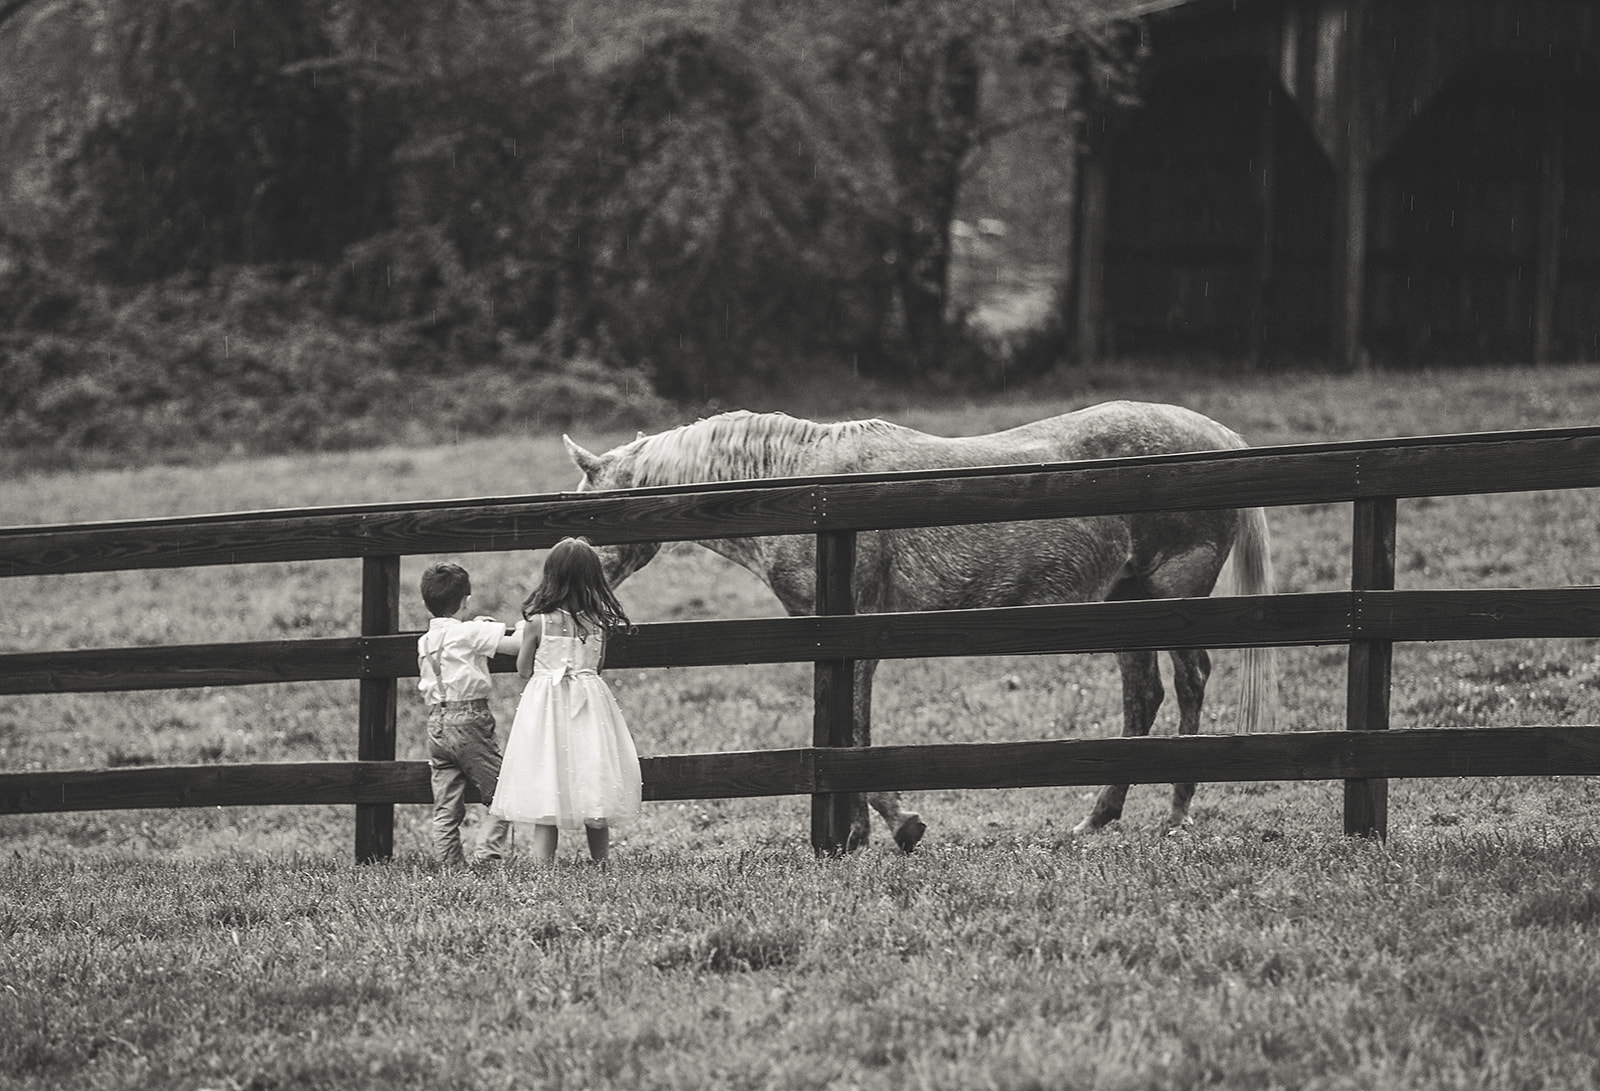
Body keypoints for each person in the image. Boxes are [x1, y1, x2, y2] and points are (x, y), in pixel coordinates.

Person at [492, 537, 642, 863]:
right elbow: (597, 666)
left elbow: (522, 669)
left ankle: (543, 866)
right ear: (592, 578)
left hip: (547, 705)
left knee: (548, 776)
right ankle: (601, 861)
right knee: (593, 773)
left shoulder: (537, 622)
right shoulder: (599, 622)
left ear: (552, 576)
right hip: (590, 703)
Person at [416, 561, 520, 868]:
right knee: (506, 793)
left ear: (427, 603)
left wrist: (476, 627)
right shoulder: (471, 631)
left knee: (446, 807)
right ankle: (487, 857)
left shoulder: (425, 641)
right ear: (466, 600)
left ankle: (450, 866)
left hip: (436, 724)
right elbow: (515, 646)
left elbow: (457, 644)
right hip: (469, 721)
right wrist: (528, 627)